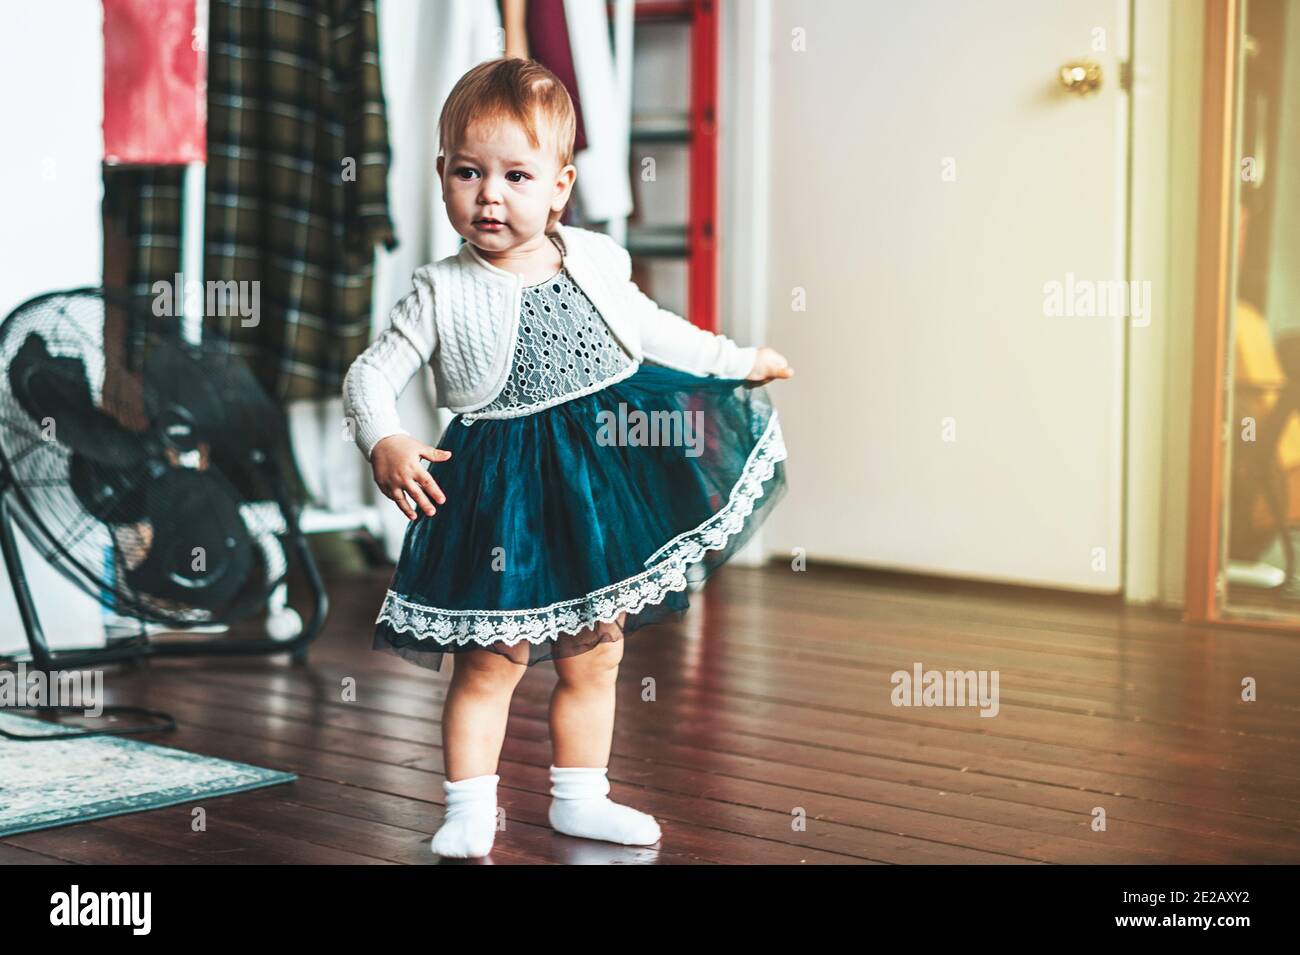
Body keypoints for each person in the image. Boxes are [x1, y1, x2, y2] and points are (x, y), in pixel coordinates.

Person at [342, 57, 793, 859]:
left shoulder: (593, 258)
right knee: (491, 659)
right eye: (468, 172)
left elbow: (655, 330)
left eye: (516, 174)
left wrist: (734, 360)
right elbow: (370, 374)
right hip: (499, 490)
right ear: (441, 176)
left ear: (559, 186)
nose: (489, 194)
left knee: (598, 648)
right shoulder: (439, 289)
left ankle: (582, 796)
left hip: (596, 479)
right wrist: (386, 437)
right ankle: (470, 804)